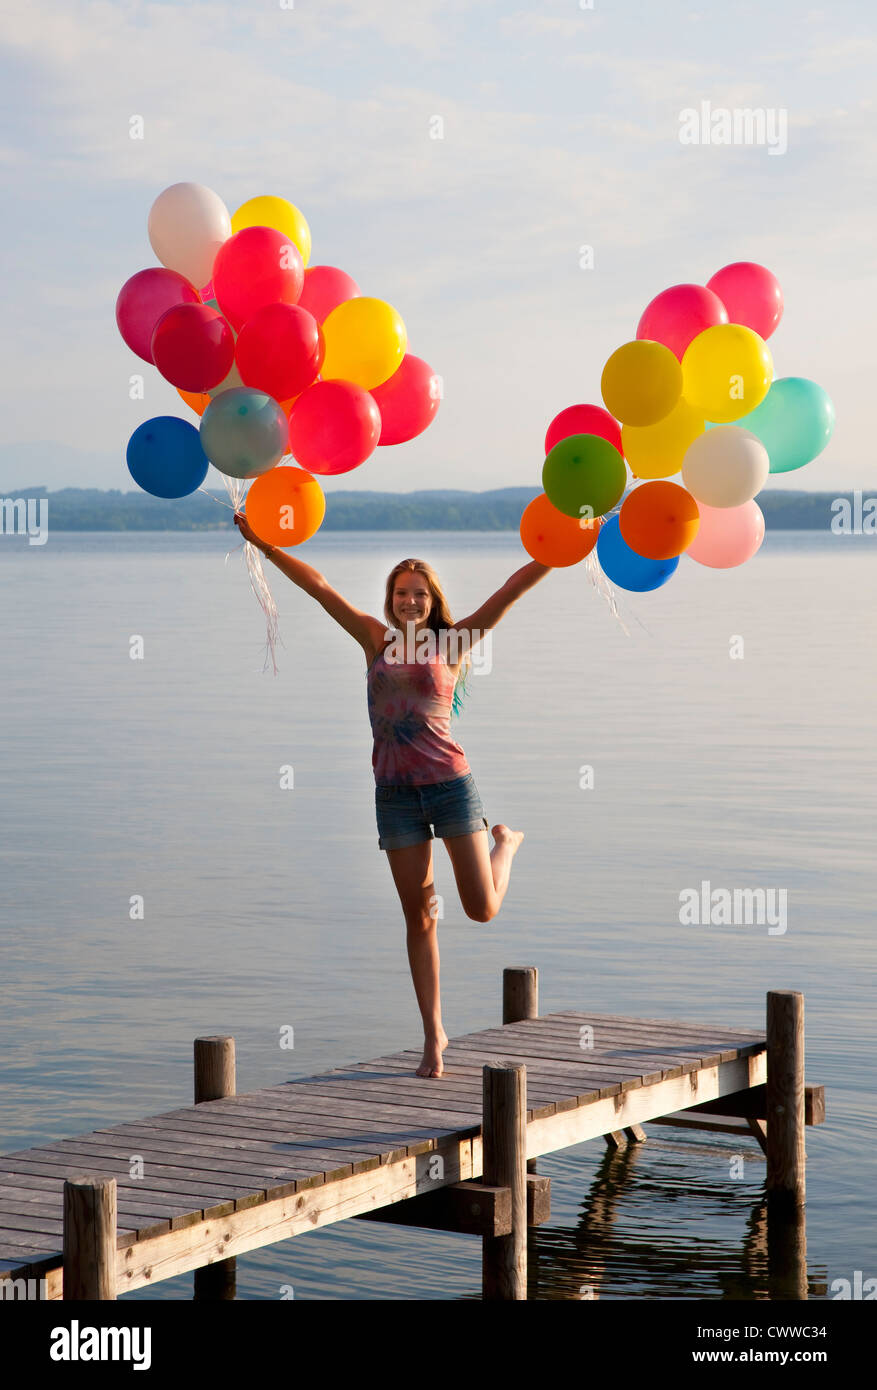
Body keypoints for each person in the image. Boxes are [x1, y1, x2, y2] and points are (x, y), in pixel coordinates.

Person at [233, 510, 551, 1077]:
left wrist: (564, 547)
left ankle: (507, 842)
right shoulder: (373, 641)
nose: (410, 602)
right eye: (402, 594)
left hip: (452, 789)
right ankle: (434, 1036)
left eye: (419, 595)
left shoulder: (453, 643)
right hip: (396, 797)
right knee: (420, 917)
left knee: (480, 909)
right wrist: (266, 543)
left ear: (432, 602)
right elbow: (320, 588)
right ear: (390, 599)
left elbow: (511, 590)